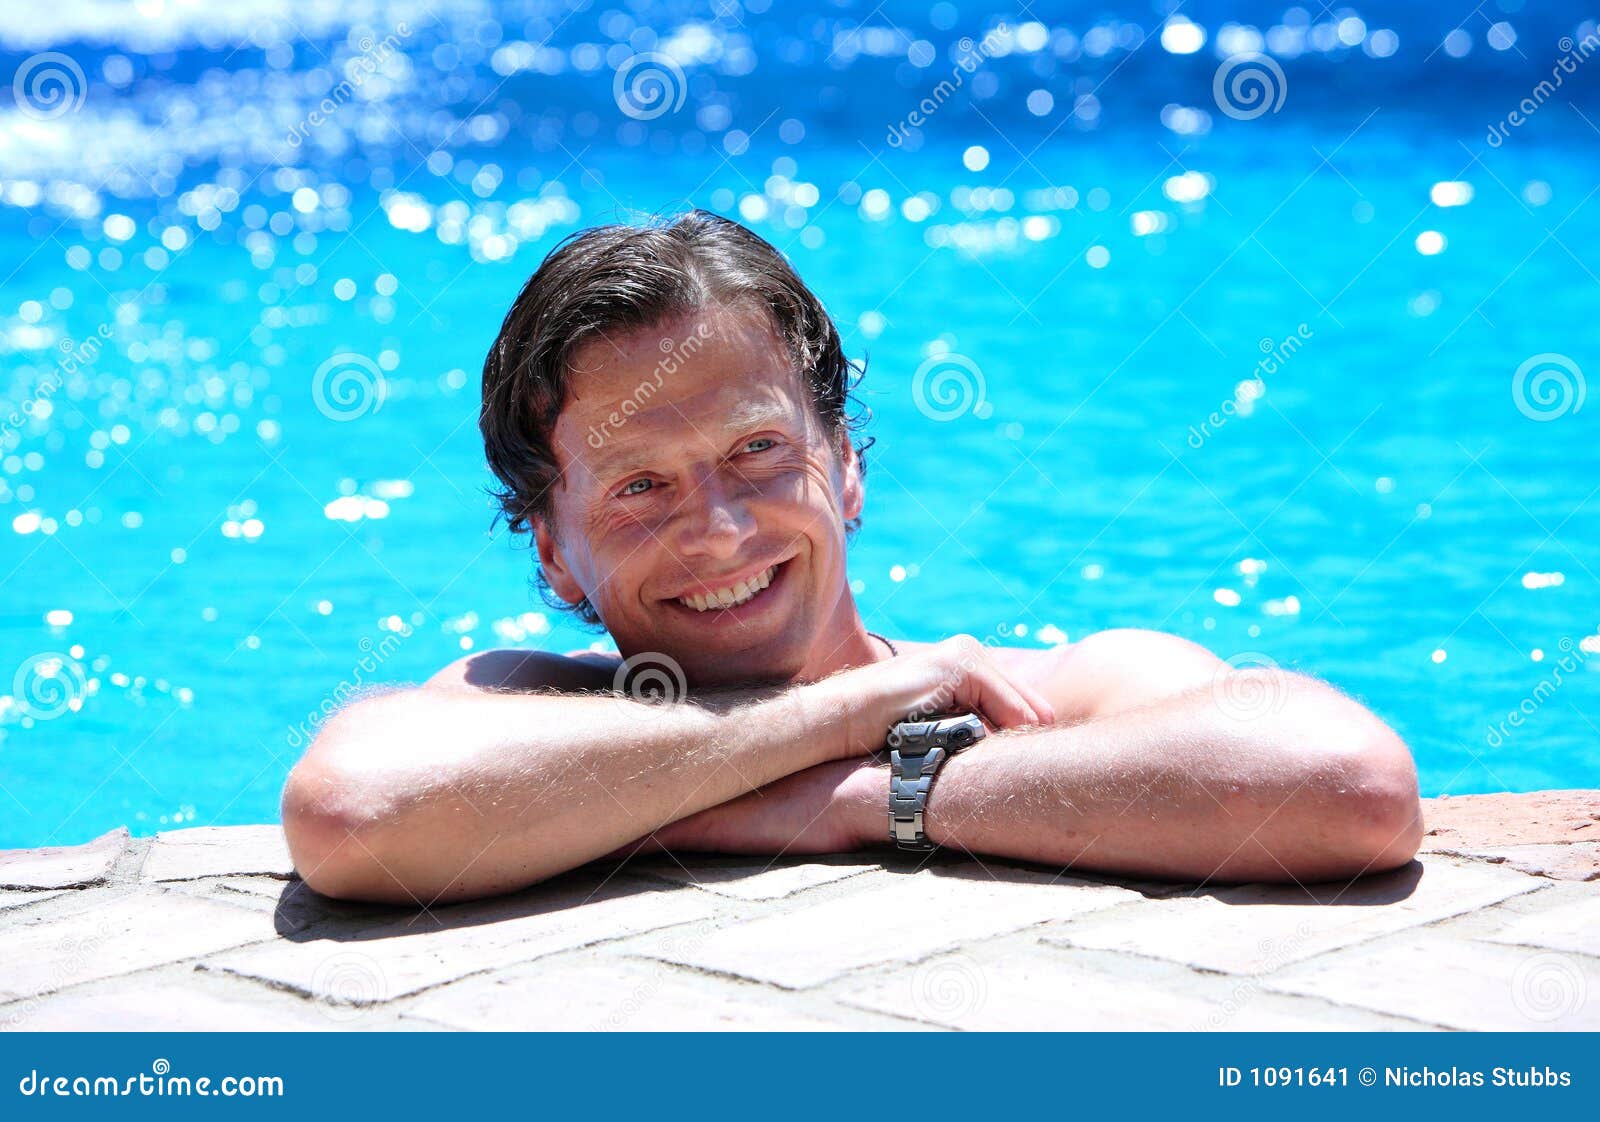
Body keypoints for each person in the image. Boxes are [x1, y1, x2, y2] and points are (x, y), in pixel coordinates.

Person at [281, 210, 1423, 906]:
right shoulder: (519, 700)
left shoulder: (1056, 694)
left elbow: (1347, 786)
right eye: (639, 487)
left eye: (759, 452)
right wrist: (842, 716)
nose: (718, 529)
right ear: (556, 555)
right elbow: (353, 815)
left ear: (849, 468)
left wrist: (867, 798)